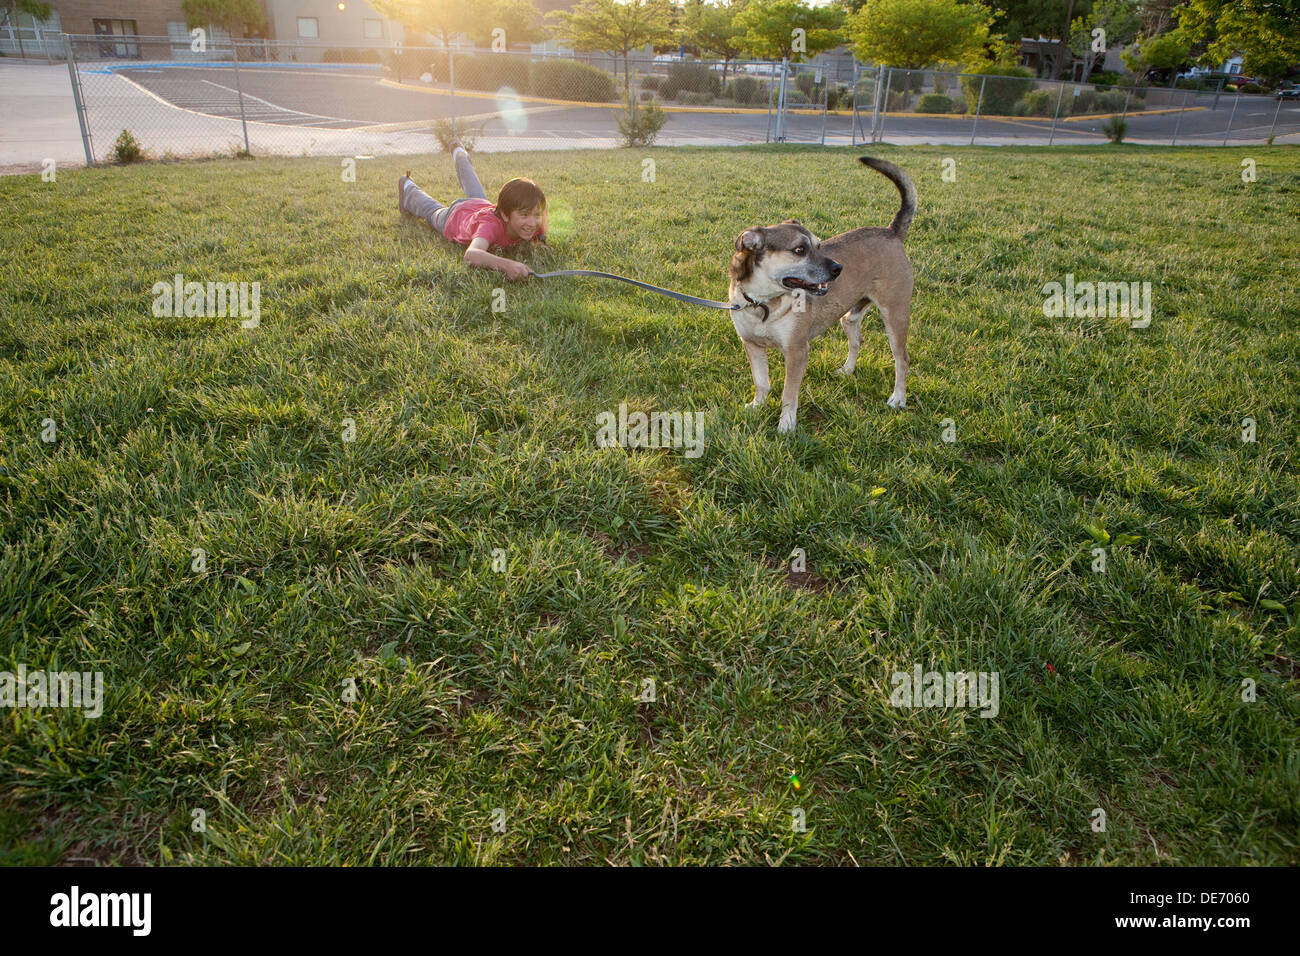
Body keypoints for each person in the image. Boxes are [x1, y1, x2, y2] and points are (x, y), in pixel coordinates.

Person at [398, 140, 547, 282]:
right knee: (430, 209)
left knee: (472, 182)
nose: (532, 223)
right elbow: (471, 254)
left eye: (536, 215)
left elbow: (541, 218)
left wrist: (542, 242)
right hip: (455, 216)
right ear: (505, 214)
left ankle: (459, 152)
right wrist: (507, 265)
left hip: (480, 205)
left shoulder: (533, 222)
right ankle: (407, 186)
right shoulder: (490, 226)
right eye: (524, 215)